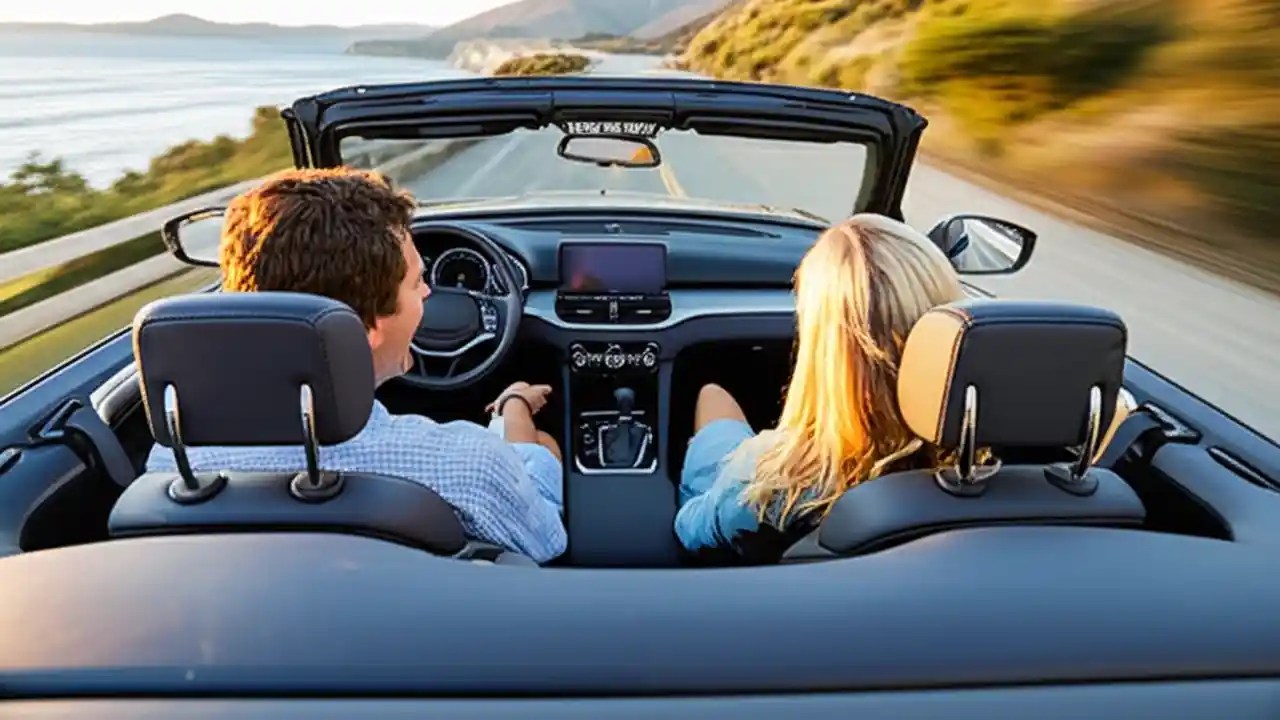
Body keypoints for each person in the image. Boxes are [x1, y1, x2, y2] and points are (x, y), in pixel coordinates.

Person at [145, 168, 566, 563]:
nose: (428, 295)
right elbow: (545, 537)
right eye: (418, 282)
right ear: (362, 328)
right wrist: (516, 409)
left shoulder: (172, 466)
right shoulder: (463, 465)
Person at [674, 213, 967, 558]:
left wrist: (749, 466)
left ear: (823, 351)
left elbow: (690, 530)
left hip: (737, 491)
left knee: (713, 396)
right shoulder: (994, 472)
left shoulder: (774, 490)